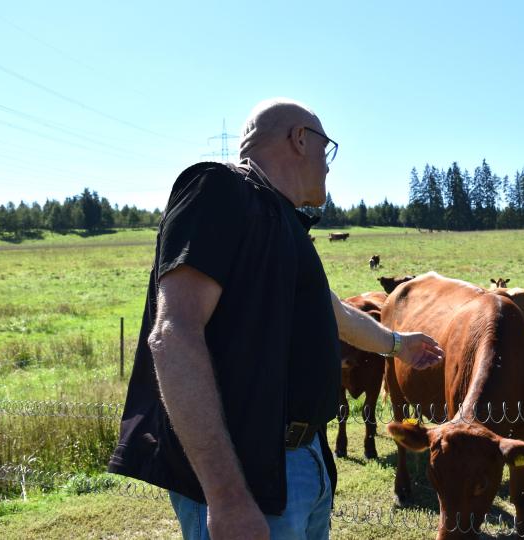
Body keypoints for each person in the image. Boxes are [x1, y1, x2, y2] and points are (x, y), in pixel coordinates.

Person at [108, 98, 444, 540]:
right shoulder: (220, 189)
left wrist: (397, 344)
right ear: (300, 139)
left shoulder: (280, 220)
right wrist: (227, 496)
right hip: (248, 472)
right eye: (328, 149)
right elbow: (173, 335)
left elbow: (334, 311)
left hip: (303, 463)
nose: (328, 166)